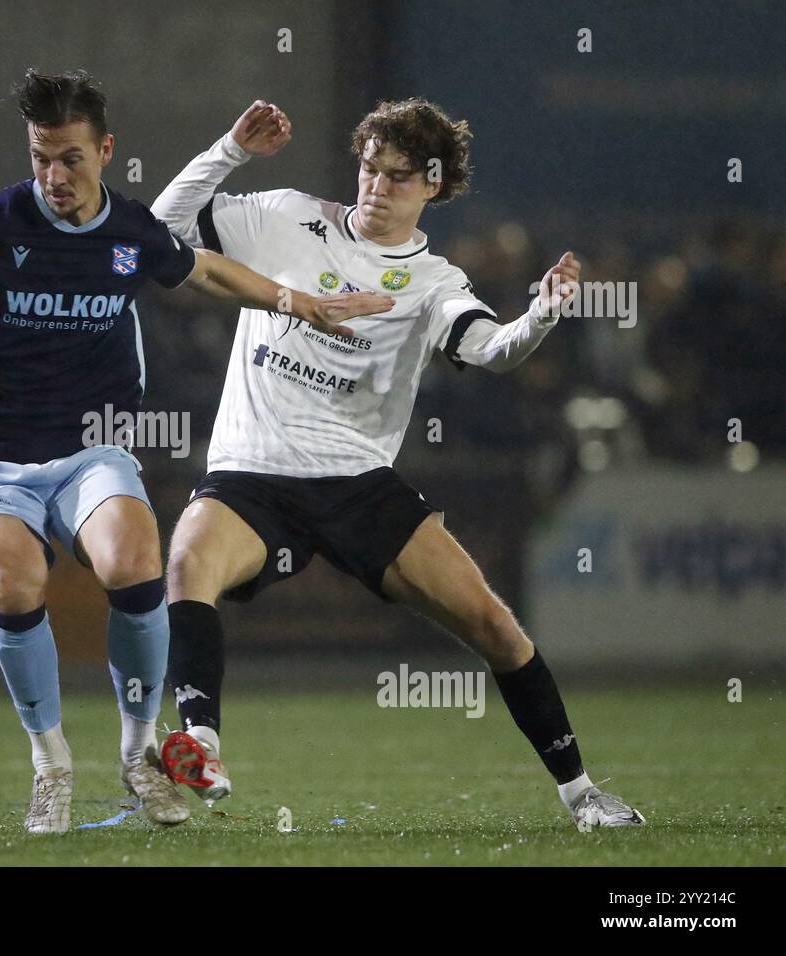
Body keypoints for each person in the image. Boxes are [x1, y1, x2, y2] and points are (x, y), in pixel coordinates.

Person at [0, 70, 391, 834]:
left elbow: (201, 268)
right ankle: (51, 767)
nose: (54, 176)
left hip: (86, 451)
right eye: (42, 157)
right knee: (14, 579)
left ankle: (139, 758)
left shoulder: (129, 232)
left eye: (71, 158)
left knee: (136, 559)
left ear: (105, 151)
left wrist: (299, 301)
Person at [150, 99, 644, 828]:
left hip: (357, 485)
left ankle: (582, 794)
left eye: (398, 175)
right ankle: (200, 742)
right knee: (188, 563)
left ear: (434, 186)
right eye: (369, 168)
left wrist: (539, 315)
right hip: (251, 471)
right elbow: (161, 229)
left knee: (494, 627)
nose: (376, 186)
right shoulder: (286, 215)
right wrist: (230, 148)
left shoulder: (433, 280)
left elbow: (489, 350)